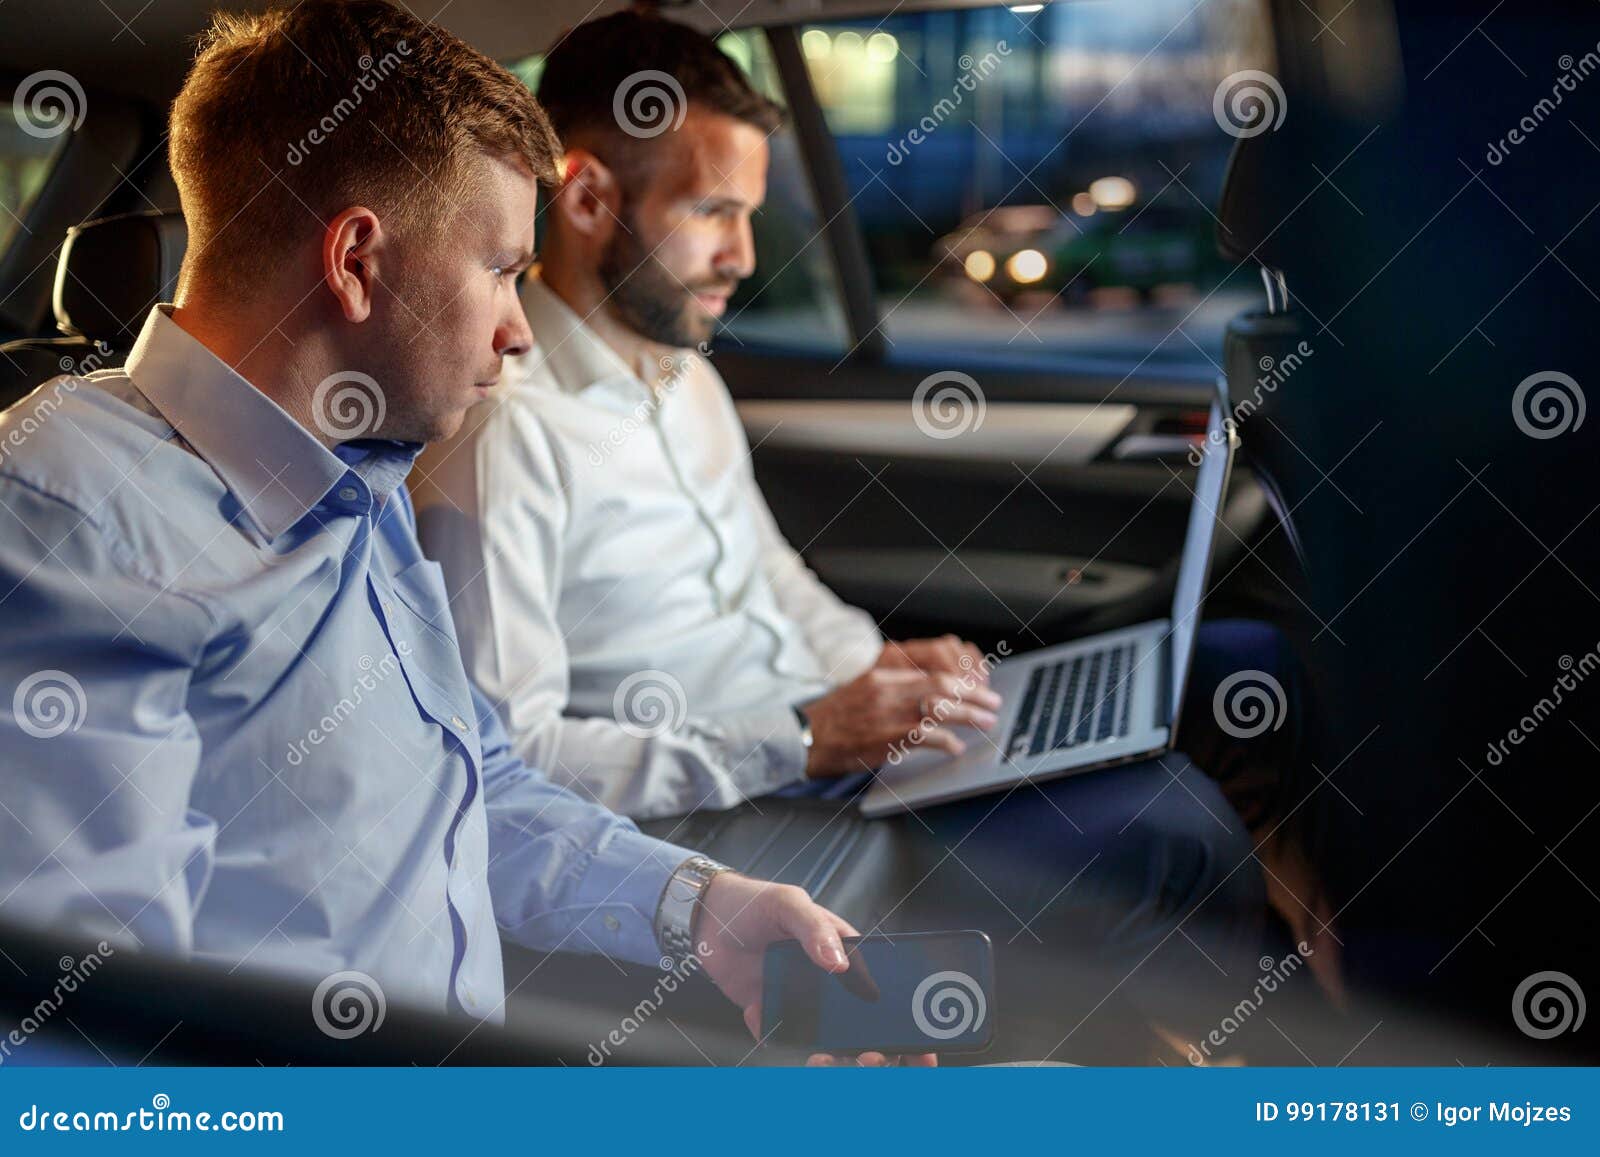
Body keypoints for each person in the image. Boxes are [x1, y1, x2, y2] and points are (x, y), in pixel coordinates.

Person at [0, 0, 926, 1064]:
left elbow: (478, 784)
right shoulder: (70, 518)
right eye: (500, 269)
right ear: (355, 261)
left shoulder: (360, 468)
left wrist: (700, 904)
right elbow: (102, 1056)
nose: (520, 326)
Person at [413, 9, 1303, 1052]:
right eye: (712, 212)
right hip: (739, 820)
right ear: (591, 197)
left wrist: (892, 670)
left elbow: (776, 582)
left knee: (1241, 665)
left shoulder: (687, 379)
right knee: (1171, 828)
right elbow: (517, 765)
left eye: (749, 212)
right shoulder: (506, 436)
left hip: (833, 759)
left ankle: (1288, 1014)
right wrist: (801, 733)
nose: (742, 254)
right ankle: (1273, 1076)